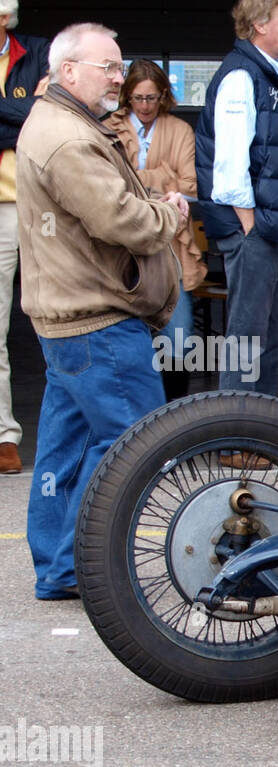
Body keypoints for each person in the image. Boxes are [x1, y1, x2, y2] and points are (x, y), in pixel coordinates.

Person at [17, 22, 186, 600]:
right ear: (69, 72)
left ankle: (64, 568)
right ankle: (96, 569)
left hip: (70, 318)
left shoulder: (60, 124)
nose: (119, 77)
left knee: (68, 447)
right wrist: (171, 215)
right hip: (98, 320)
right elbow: (121, 221)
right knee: (136, 446)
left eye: (120, 67)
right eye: (107, 67)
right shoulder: (68, 138)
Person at [195, 0, 278, 395]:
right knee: (247, 338)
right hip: (256, 228)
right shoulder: (242, 77)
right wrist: (251, 227)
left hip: (274, 225)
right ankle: (237, 435)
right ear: (258, 25)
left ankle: (254, 433)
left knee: (266, 335)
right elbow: (230, 166)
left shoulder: (276, 77)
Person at [106, 59, 205, 401]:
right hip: (122, 247)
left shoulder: (180, 130)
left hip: (171, 245)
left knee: (178, 336)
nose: (145, 106)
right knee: (124, 337)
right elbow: (108, 188)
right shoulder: (110, 128)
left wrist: (137, 181)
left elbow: (190, 186)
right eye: (138, 99)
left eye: (152, 98)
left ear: (163, 96)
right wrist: (164, 177)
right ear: (126, 97)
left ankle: (173, 414)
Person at [0, 1, 48, 475]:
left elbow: (45, 113)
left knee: (58, 316)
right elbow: (28, 116)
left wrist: (27, 112)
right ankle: (3, 436)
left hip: (36, 204)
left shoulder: (37, 52)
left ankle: (75, 430)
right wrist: (20, 113)